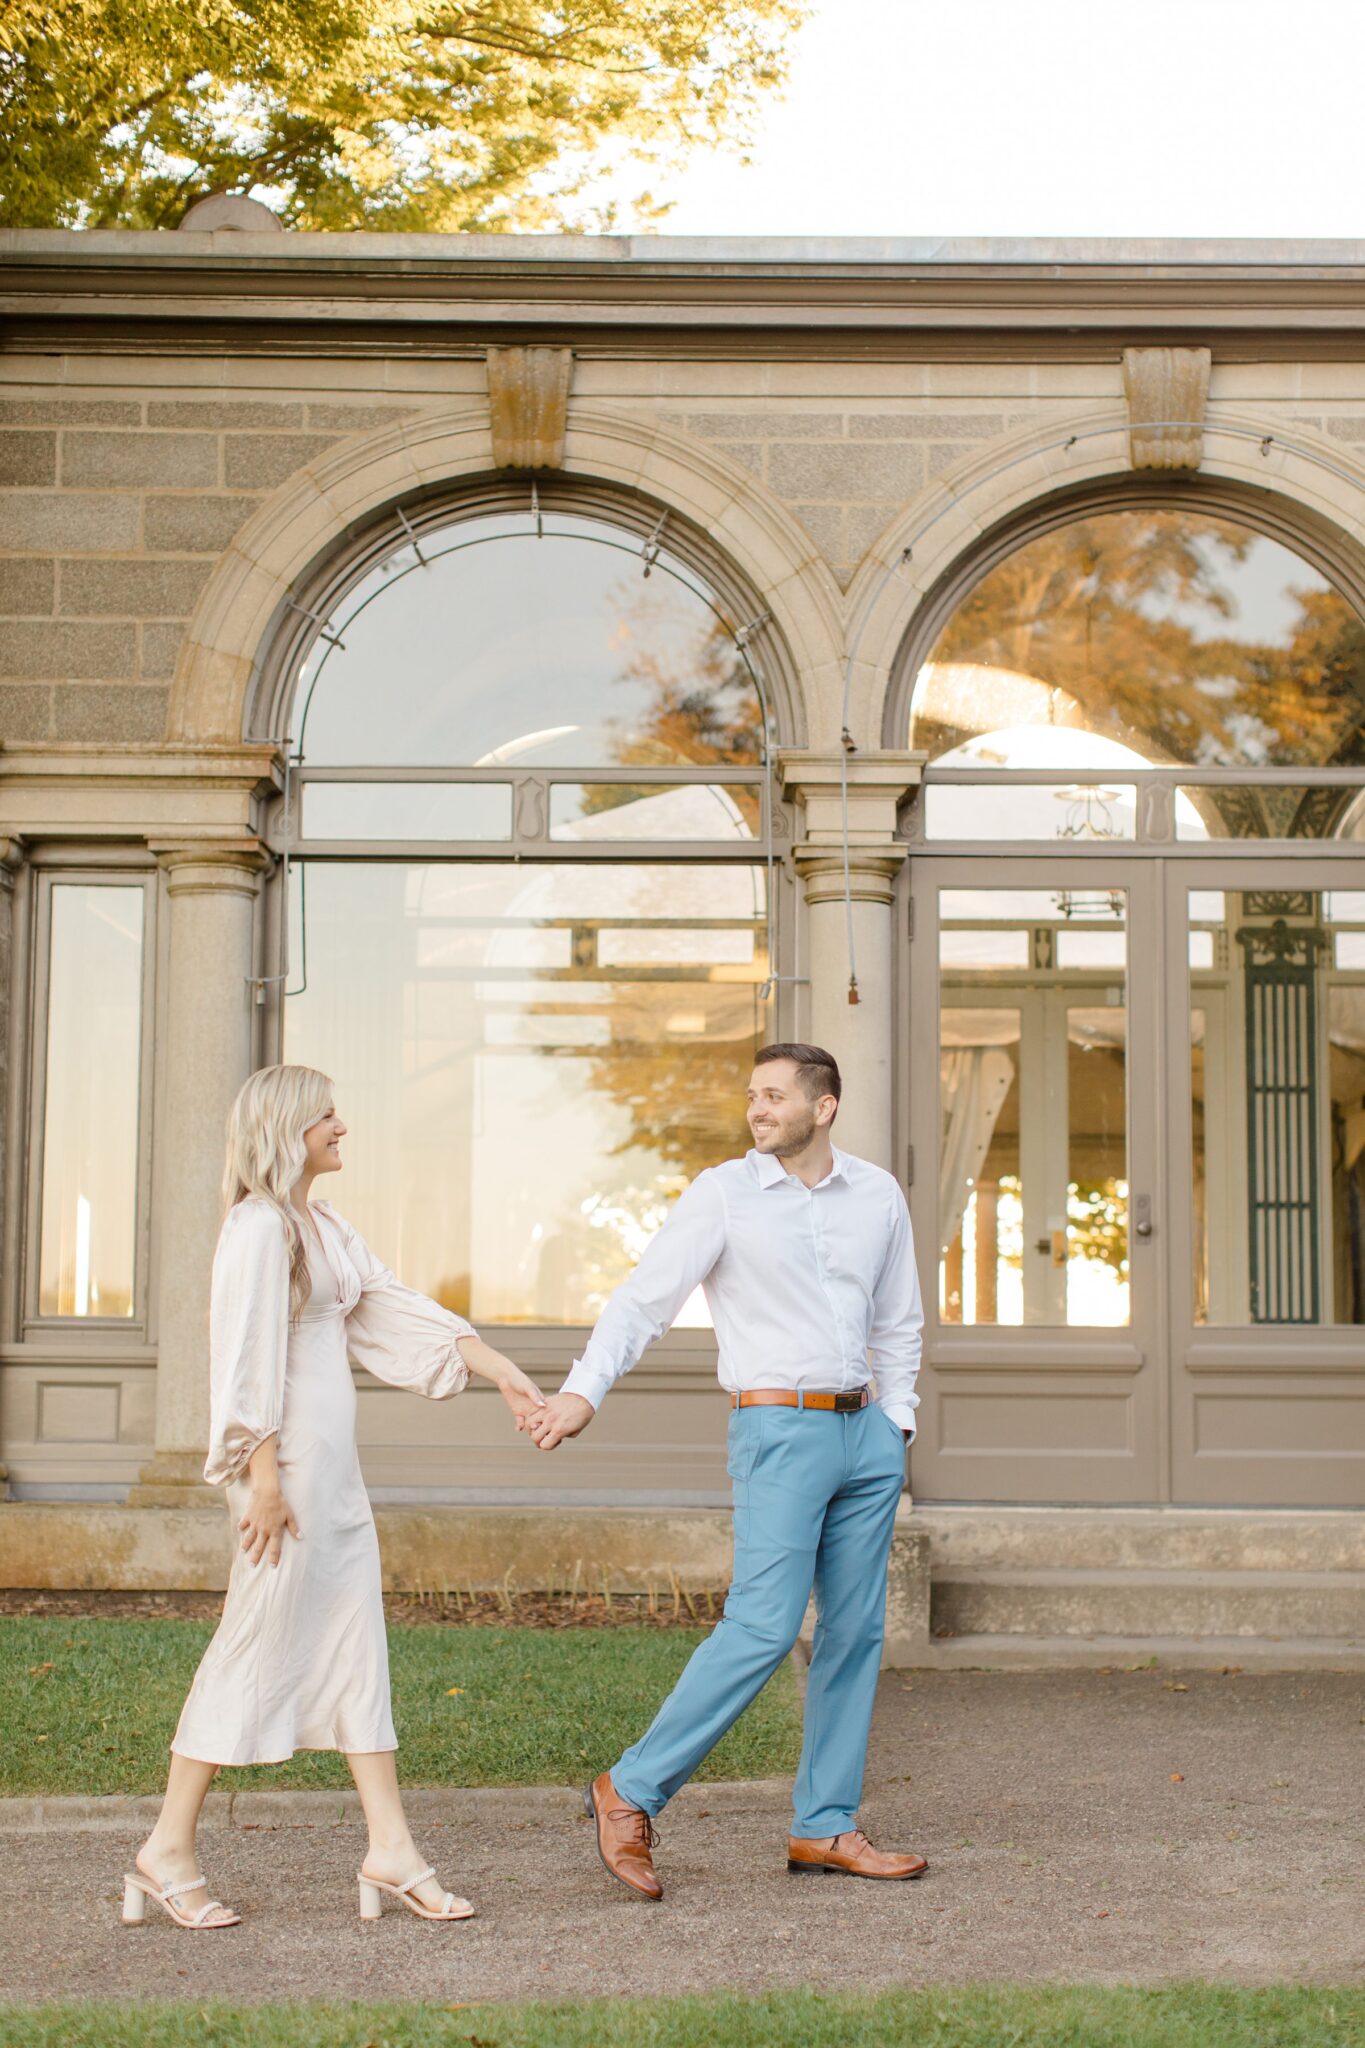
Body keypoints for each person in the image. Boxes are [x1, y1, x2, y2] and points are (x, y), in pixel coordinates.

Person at [122, 1064, 545, 1932]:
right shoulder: (256, 1227)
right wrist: (263, 1481)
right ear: (288, 1128)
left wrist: (501, 1371)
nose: (341, 1125)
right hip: (284, 1480)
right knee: (252, 1643)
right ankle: (164, 1851)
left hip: (333, 1479)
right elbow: (240, 1357)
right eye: (326, 1114)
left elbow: (394, 1308)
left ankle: (391, 1850)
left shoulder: (323, 1227)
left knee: (356, 1651)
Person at [527, 1042, 928, 1899]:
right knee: (762, 1627)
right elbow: (643, 1300)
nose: (757, 1110)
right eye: (752, 1096)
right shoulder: (723, 1195)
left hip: (864, 1436)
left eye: (775, 1096)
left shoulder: (876, 1195)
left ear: (822, 1107)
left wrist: (898, 1421)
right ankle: (628, 1791)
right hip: (777, 1429)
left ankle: (825, 1826)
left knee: (854, 1635)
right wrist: (581, 1393)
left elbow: (897, 1319)